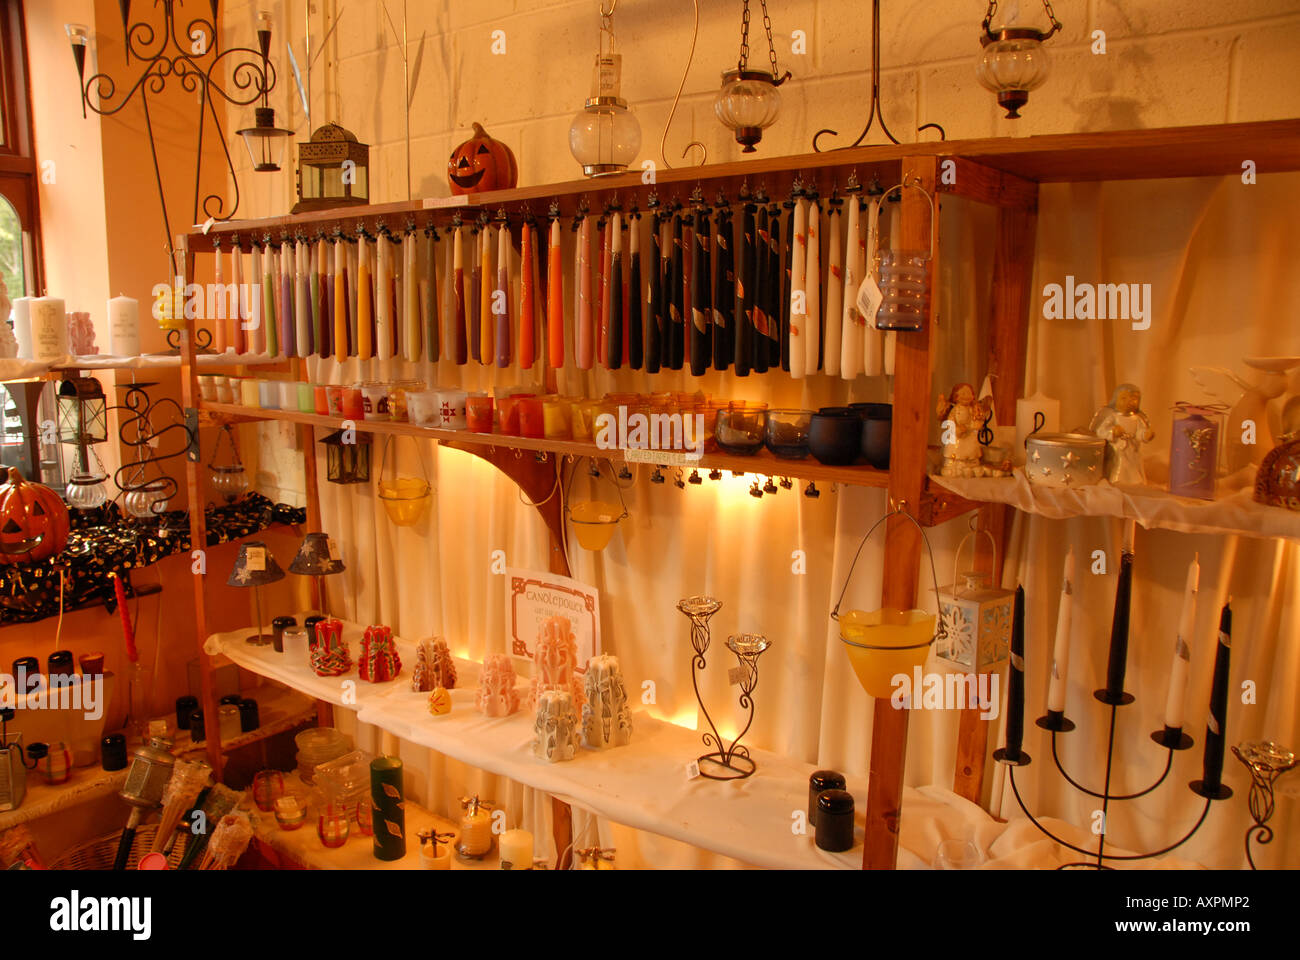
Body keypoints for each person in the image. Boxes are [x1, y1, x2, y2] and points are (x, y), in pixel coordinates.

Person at [1090, 383, 1154, 485]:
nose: (1129, 402)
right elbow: (1101, 431)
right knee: (1119, 463)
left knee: (1133, 465)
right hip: (1117, 448)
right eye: (1124, 398)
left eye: (1133, 399)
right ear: (1115, 400)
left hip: (1132, 448)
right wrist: (1113, 432)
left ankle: (1135, 481)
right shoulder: (1113, 417)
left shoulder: (1137, 419)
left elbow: (1139, 432)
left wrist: (1145, 435)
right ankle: (1117, 479)